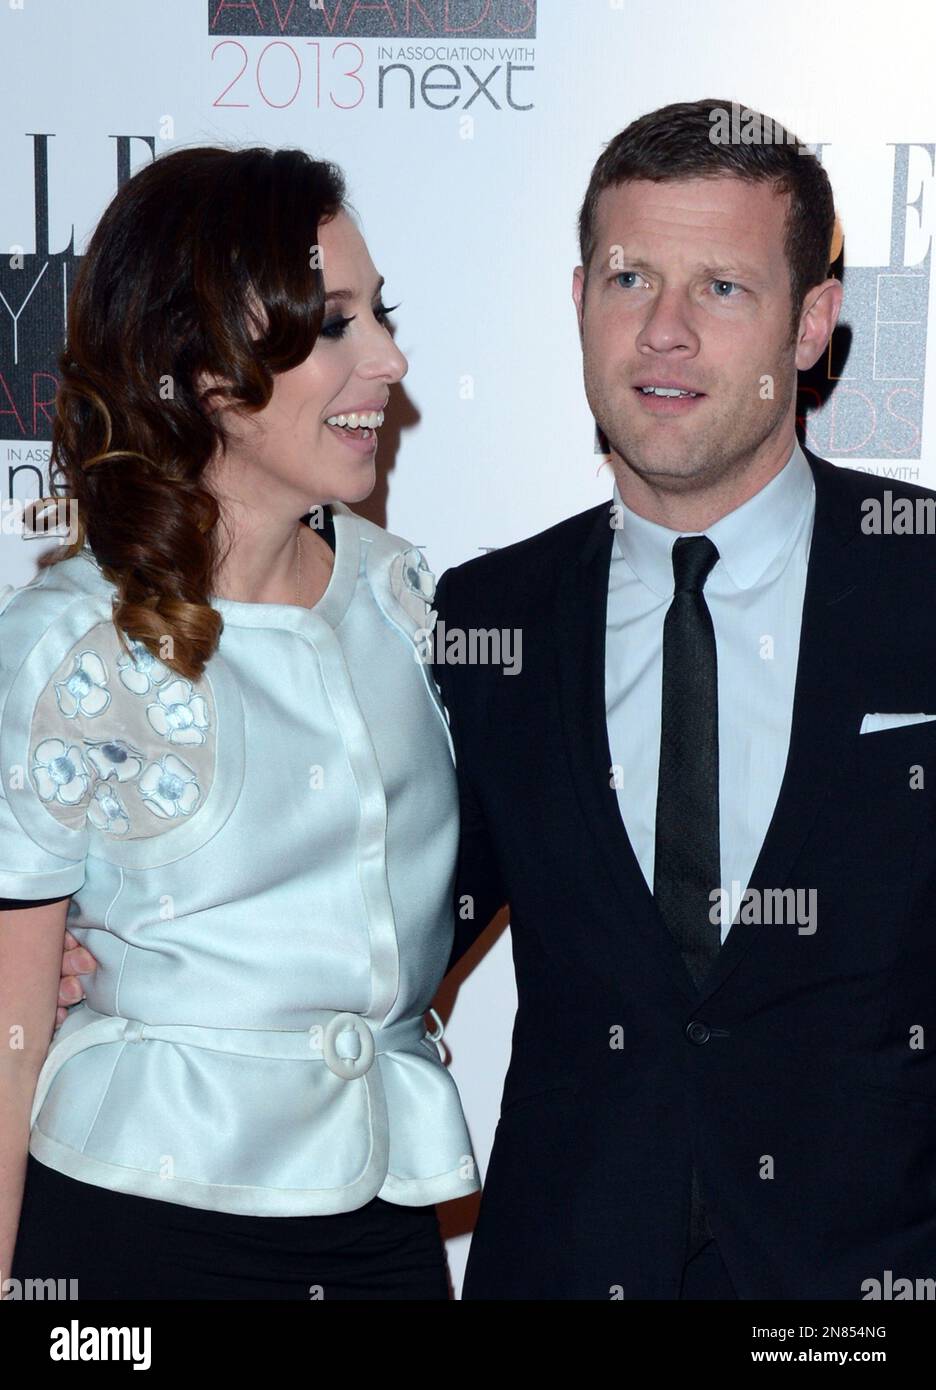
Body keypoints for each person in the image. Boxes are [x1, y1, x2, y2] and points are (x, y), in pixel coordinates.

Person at [428, 99, 936, 1299]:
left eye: (720, 289)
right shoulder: (485, 614)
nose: (661, 332)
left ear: (813, 324)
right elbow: (379, 925)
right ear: (577, 302)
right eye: (628, 279)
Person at [0, 144, 479, 1301]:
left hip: (381, 1222)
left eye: (380, 316)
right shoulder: (71, 642)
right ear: (203, 372)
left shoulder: (407, 598)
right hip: (138, 1228)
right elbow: (10, 1028)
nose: (391, 360)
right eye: (333, 326)